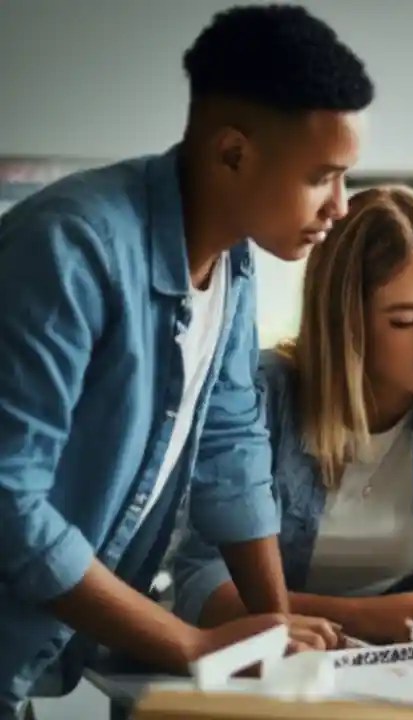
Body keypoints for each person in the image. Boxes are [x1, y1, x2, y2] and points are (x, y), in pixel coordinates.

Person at [0, 4, 373, 715]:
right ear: (232, 152)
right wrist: (194, 646)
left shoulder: (233, 261)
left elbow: (230, 448)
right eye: (322, 176)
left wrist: (277, 628)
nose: (340, 206)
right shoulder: (70, 250)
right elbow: (8, 501)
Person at [172, 187, 413, 643]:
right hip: (271, 667)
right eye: (404, 320)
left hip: (391, 677)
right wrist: (356, 616)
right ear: (347, 324)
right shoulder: (261, 394)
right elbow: (202, 588)